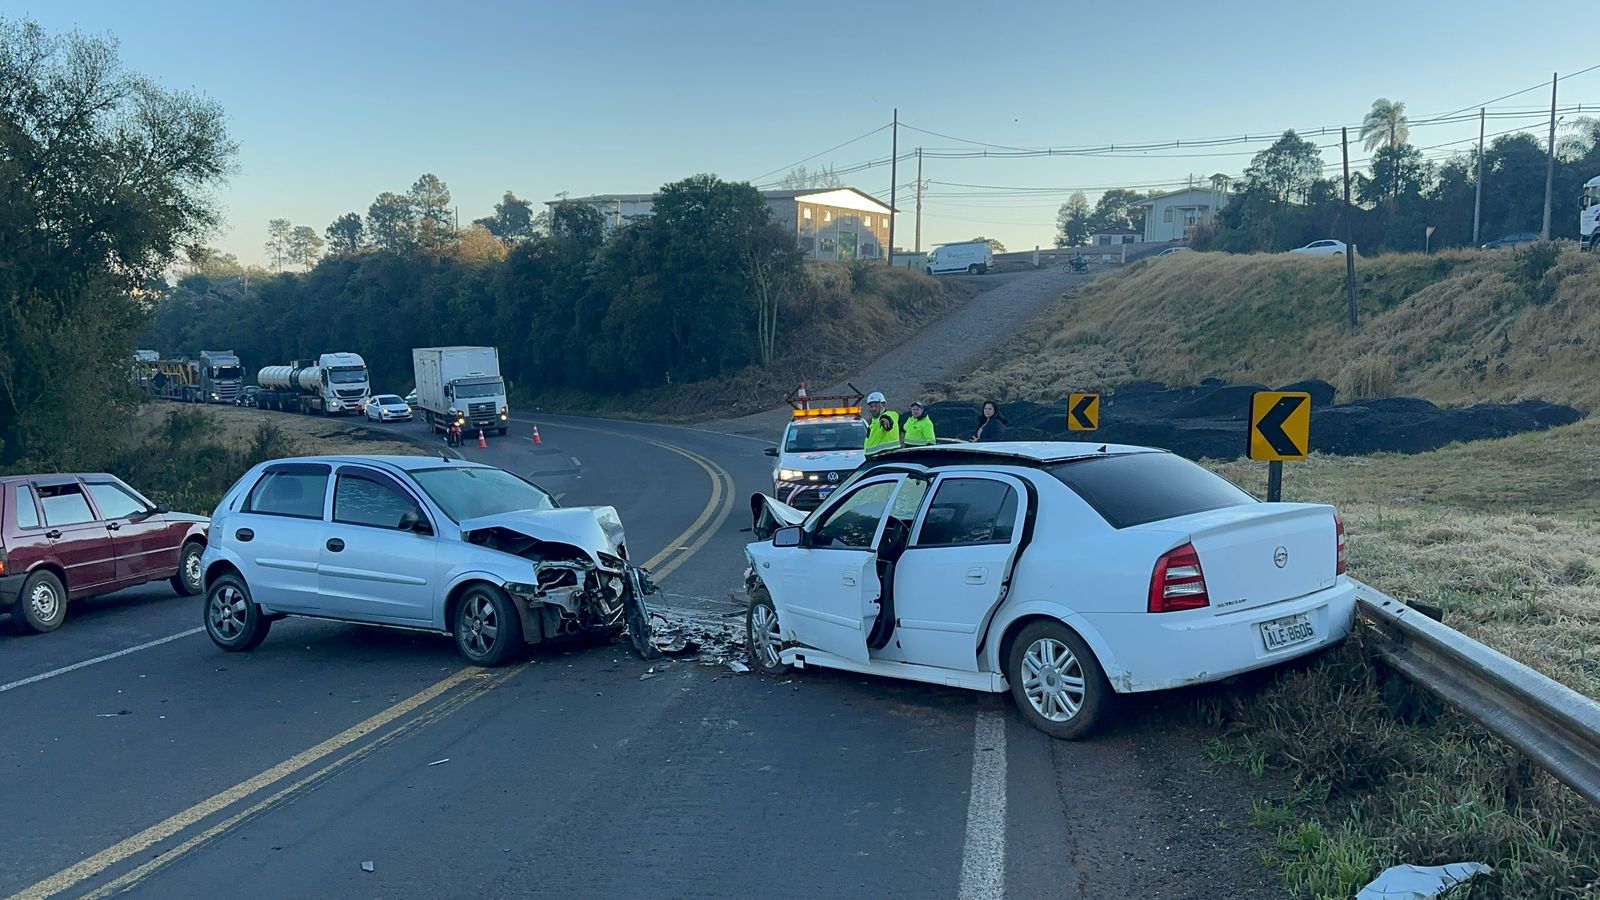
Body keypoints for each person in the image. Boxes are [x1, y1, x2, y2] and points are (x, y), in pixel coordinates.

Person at [862, 391, 901, 455]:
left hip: (886, 456)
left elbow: (891, 417)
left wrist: (886, 418)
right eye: (871, 406)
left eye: (876, 406)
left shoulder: (889, 414)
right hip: (874, 458)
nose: (873, 408)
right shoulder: (873, 423)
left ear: (883, 405)